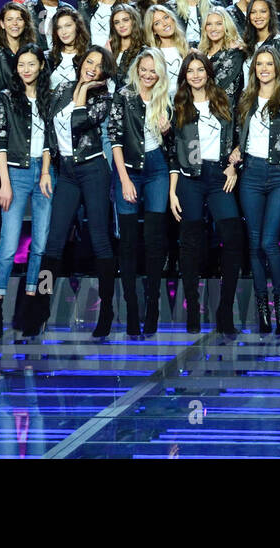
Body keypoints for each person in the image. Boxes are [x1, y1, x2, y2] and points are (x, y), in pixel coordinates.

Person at [37, 47, 118, 339]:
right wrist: (46, 170)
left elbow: (78, 122)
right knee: (53, 241)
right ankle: (40, 307)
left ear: (104, 73)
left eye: (99, 65)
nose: (92, 68)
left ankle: (106, 310)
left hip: (94, 169)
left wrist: (84, 90)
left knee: (99, 240)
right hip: (67, 173)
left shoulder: (103, 97)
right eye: (89, 62)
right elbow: (50, 130)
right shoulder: (62, 88)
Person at [233, 45, 280, 334]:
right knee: (254, 245)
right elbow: (240, 138)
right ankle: (262, 308)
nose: (264, 68)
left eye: (269, 64)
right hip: (251, 174)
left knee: (268, 242)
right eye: (259, 64)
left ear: (277, 67)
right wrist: (235, 158)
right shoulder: (246, 99)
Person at [168, 51, 244, 335]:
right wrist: (173, 191)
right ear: (185, 76)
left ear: (208, 73)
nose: (196, 75)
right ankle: (193, 310)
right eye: (191, 71)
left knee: (233, 237)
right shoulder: (178, 105)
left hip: (218, 177)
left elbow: (238, 140)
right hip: (190, 178)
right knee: (190, 245)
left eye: (201, 70)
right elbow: (173, 153)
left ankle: (225, 312)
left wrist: (234, 166)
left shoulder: (223, 101)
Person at [0, 42, 53, 339]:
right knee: (9, 246)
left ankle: (31, 309)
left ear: (41, 65)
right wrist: (4, 182)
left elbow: (51, 139)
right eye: (21, 65)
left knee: (41, 245)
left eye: (31, 64)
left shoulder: (49, 96)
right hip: (13, 171)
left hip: (45, 171)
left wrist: (44, 172)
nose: (26, 69)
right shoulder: (5, 98)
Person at [109, 48, 174, 339]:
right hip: (129, 171)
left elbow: (174, 147)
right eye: (144, 69)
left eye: (153, 70)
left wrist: (168, 129)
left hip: (157, 169)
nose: (148, 75)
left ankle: (152, 309)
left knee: (154, 241)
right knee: (128, 244)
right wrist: (124, 180)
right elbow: (115, 139)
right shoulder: (124, 96)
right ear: (137, 69)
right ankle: (131, 310)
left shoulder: (166, 98)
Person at [241, 0, 280, 91]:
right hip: (248, 102)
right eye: (253, 12)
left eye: (263, 11)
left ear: (270, 14)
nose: (258, 16)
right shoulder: (246, 44)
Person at [201, 8, 247, 108]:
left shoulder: (235, 53)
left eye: (218, 24)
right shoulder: (202, 51)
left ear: (226, 26)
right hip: (200, 108)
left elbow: (217, 84)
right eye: (209, 24)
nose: (213, 28)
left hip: (224, 110)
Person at [0, 1, 38, 93]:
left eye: (19, 19)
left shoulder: (33, 53)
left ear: (25, 23)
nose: (14, 23)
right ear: (2, 24)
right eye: (9, 19)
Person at [144, 4, 189, 100]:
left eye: (166, 17)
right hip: (162, 103)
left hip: (186, 100)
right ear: (154, 31)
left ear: (172, 19)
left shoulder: (188, 47)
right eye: (157, 23)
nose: (165, 23)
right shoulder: (151, 55)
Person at [47, 5, 90, 90]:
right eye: (59, 27)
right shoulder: (48, 57)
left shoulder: (88, 57)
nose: (64, 32)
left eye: (68, 25)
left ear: (77, 26)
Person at [108, 3, 147, 87]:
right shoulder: (109, 48)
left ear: (134, 21)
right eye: (117, 22)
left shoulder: (144, 51)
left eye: (125, 20)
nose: (121, 25)